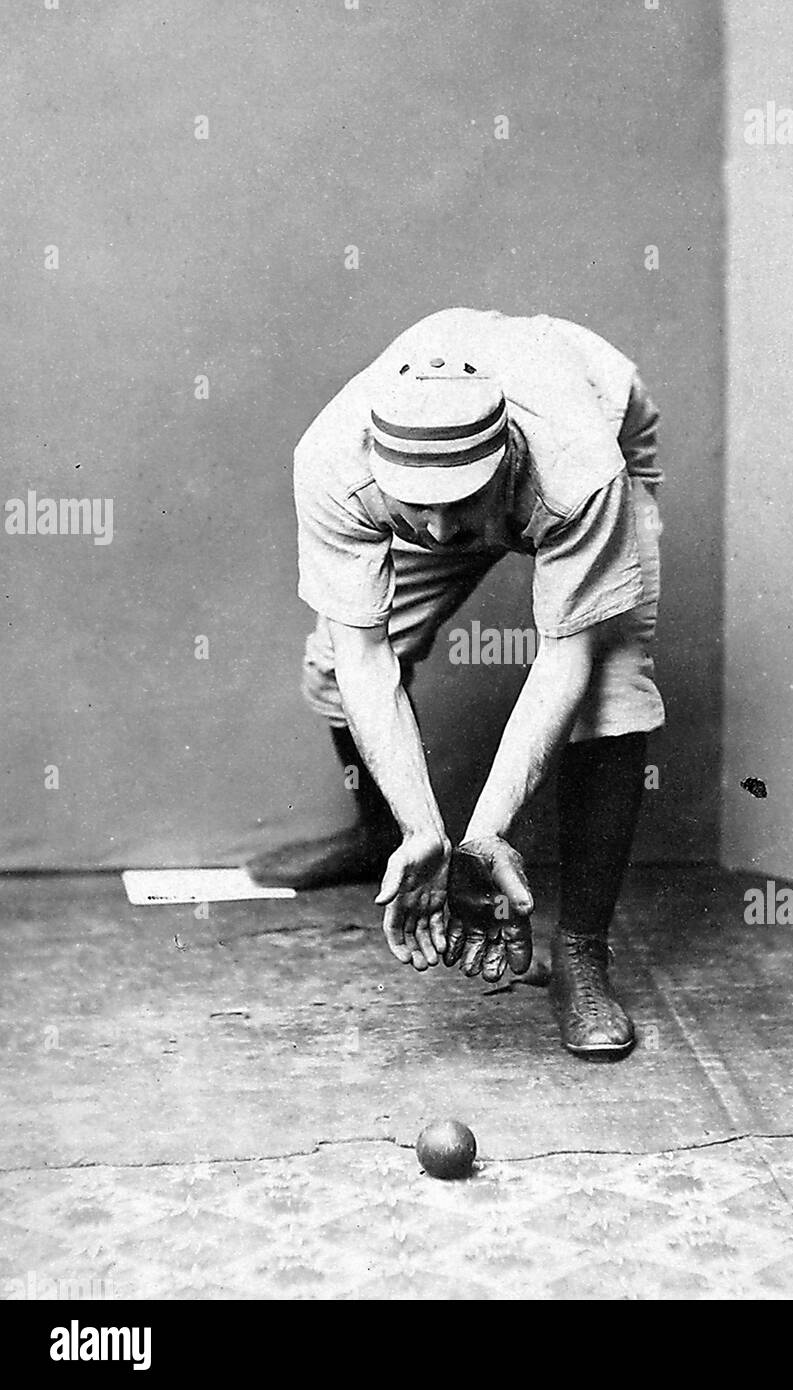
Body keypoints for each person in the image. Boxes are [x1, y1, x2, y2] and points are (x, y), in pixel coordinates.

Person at [249, 307, 664, 1059]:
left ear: (504, 458)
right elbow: (366, 657)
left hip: (593, 415)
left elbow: (563, 657)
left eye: (458, 505)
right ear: (377, 467)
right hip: (462, 478)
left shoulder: (580, 467)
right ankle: (386, 838)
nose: (438, 535)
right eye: (418, 507)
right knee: (333, 668)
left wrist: (488, 833)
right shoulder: (332, 463)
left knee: (609, 688)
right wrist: (424, 828)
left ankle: (580, 957)